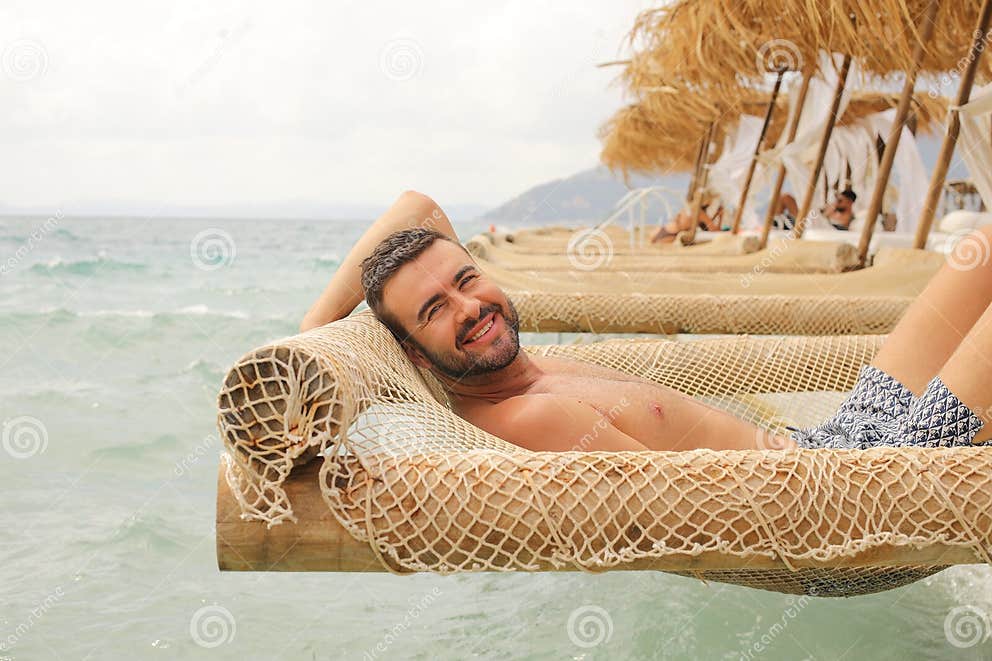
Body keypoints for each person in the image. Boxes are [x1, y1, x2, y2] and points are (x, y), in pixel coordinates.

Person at [301, 191, 992, 453]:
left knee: (981, 249)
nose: (470, 308)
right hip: (855, 502)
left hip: (834, 442)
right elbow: (722, 520)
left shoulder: (516, 374)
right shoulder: (527, 416)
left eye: (465, 279)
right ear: (416, 357)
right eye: (433, 312)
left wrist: (313, 326)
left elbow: (416, 208)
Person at [649, 191, 724, 243]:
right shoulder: (700, 213)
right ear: (708, 202)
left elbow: (704, 225)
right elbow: (715, 231)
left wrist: (715, 215)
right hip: (672, 235)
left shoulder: (688, 206)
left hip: (661, 230)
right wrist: (721, 217)